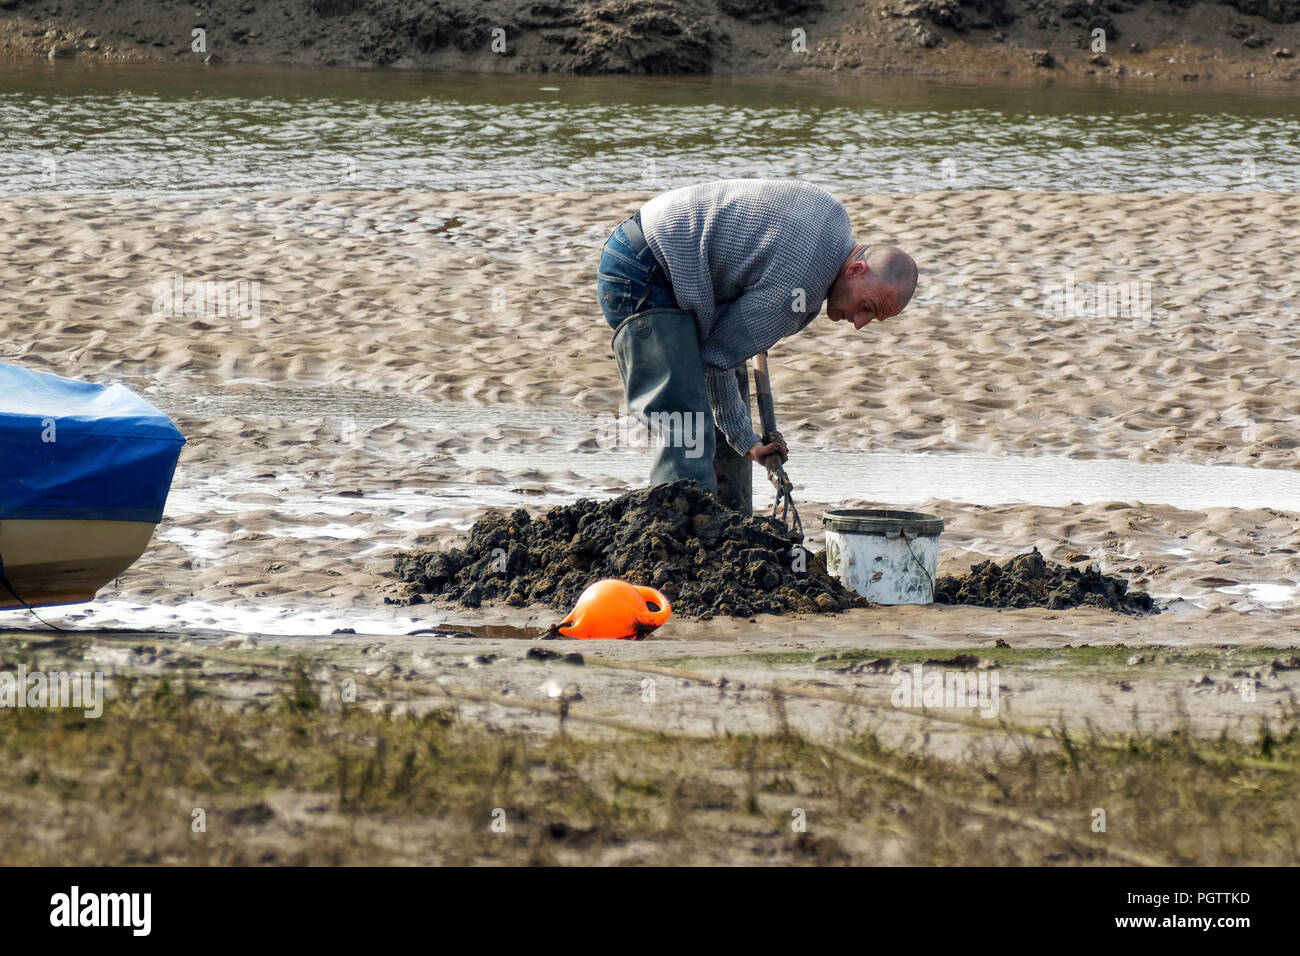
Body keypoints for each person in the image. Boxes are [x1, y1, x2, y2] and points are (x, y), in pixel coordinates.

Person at [597, 178, 918, 492]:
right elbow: (715, 359)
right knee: (687, 424)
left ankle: (726, 520)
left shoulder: (833, 215)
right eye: (867, 306)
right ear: (856, 270)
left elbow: (729, 341)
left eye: (872, 318)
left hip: (647, 240)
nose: (860, 322)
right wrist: (747, 441)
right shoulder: (800, 290)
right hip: (642, 275)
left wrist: (744, 436)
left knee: (722, 389)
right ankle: (682, 530)